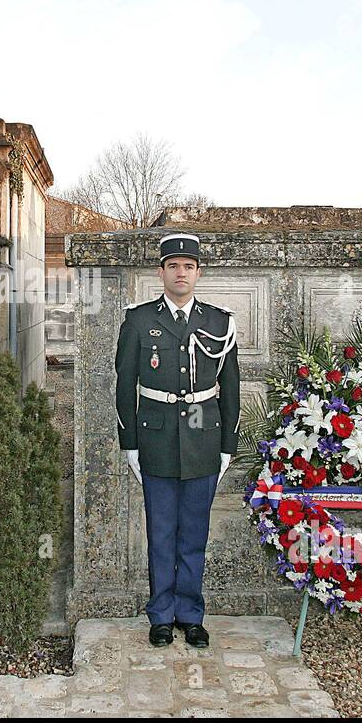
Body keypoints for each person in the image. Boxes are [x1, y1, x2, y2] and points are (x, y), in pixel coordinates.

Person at [114, 233, 241, 648]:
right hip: (156, 440)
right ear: (161, 272)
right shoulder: (138, 319)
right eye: (173, 265)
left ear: (199, 272)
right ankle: (160, 615)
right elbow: (123, 385)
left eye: (188, 266)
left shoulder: (220, 322)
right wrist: (129, 442)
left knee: (195, 534)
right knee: (161, 532)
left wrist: (228, 447)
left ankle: (191, 614)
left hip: (204, 436)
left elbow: (231, 388)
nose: (181, 272)